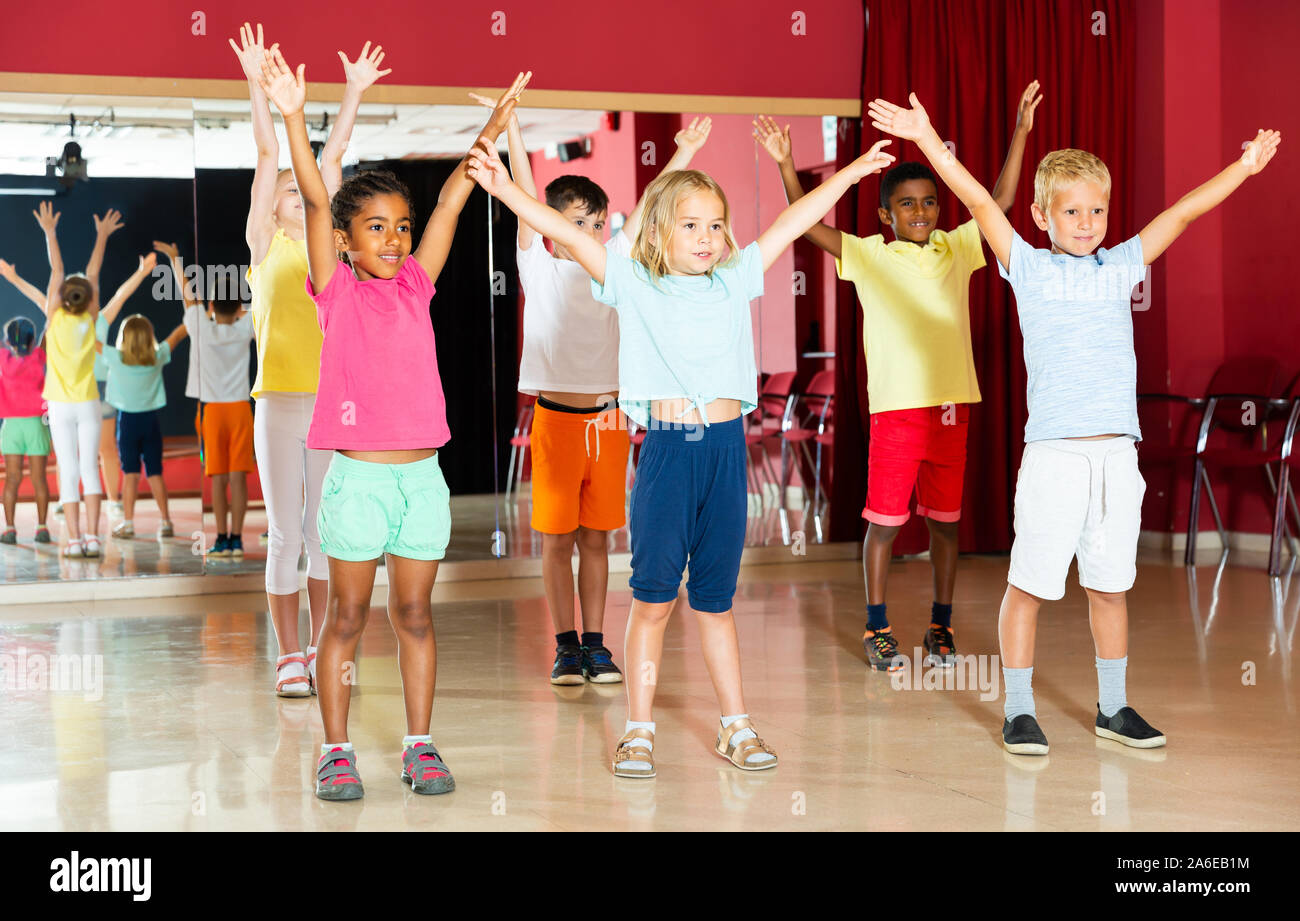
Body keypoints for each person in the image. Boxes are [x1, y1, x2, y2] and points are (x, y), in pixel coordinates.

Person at [466, 124, 896, 777]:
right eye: (691, 225)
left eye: (716, 225)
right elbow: (576, 236)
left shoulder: (735, 278)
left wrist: (854, 172)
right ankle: (638, 731)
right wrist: (506, 190)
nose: (708, 237)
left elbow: (794, 217)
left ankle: (735, 724)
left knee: (716, 603)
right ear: (657, 233)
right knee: (654, 600)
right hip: (668, 455)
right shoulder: (633, 281)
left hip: (726, 454)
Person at [869, 90, 1281, 753]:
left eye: (1096, 210)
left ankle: (1113, 707)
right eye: (1071, 210)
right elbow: (977, 200)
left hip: (1117, 456)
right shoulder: (1027, 267)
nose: (1086, 221)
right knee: (1029, 585)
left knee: (1111, 588)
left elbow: (1182, 213)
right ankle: (1020, 709)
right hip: (1055, 456)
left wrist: (1244, 167)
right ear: (1040, 215)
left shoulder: (1119, 266)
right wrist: (926, 137)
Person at [260, 45, 530, 798]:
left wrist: (494, 127)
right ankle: (335, 749)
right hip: (357, 484)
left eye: (399, 226)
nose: (393, 238)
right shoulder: (334, 289)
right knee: (345, 618)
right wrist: (290, 115)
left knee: (414, 612)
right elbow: (318, 199)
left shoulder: (417, 284)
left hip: (422, 481)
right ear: (345, 241)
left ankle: (420, 743)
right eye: (375, 227)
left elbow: (451, 201)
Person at [753, 81, 1042, 672]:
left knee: (945, 526)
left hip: (952, 411)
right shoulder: (870, 255)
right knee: (884, 525)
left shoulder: (958, 248)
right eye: (906, 204)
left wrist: (1020, 133)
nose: (921, 212)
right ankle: (877, 626)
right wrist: (787, 165)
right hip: (896, 414)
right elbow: (808, 228)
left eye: (929, 202)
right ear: (885, 214)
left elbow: (998, 204)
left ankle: (942, 624)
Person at [480, 90, 713, 687]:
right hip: (556, 421)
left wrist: (681, 152)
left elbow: (642, 213)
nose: (586, 231)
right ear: (553, 230)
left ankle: (596, 643)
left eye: (594, 222)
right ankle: (564, 645)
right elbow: (528, 200)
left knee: (596, 540)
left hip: (609, 422)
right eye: (574, 223)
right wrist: (510, 127)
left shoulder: (617, 264)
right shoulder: (539, 263)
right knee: (557, 541)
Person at [229, 22, 391, 697]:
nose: (298, 194)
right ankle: (287, 656)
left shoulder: (332, 251)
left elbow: (335, 156)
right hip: (276, 402)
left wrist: (352, 90)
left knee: (327, 533)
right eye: (289, 193)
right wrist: (255, 85)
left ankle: (327, 651)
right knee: (285, 534)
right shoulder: (263, 246)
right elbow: (270, 150)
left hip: (333, 405)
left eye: (306, 192)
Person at [33, 200, 155, 558]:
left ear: (60, 299)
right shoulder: (92, 320)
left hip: (59, 406)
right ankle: (92, 539)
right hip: (88, 403)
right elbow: (99, 278)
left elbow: (57, 269)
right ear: (87, 299)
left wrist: (49, 232)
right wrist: (103, 238)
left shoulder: (53, 319)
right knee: (89, 468)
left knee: (68, 471)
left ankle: (72, 540)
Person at [155, 241, 255, 558]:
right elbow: (261, 305)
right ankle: (237, 540)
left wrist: (175, 260)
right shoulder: (246, 327)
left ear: (210, 305)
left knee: (217, 476)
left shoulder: (201, 327)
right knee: (239, 477)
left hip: (212, 413)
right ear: (240, 306)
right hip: (240, 410)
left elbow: (187, 295)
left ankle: (222, 537)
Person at [100, 313, 188, 540]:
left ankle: (128, 524)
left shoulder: (115, 357)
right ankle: (166, 521)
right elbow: (178, 334)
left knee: (130, 475)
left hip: (127, 423)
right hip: (150, 422)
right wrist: (203, 314)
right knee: (155, 473)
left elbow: (90, 342)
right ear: (150, 336)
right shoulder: (157, 357)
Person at [0, 317, 52, 544]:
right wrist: (51, 317)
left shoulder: (2, 359)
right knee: (39, 478)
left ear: (8, 341)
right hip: (35, 424)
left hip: (11, 425)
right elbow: (47, 337)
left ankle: (9, 529)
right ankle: (41, 528)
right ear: (32, 342)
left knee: (12, 479)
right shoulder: (39, 357)